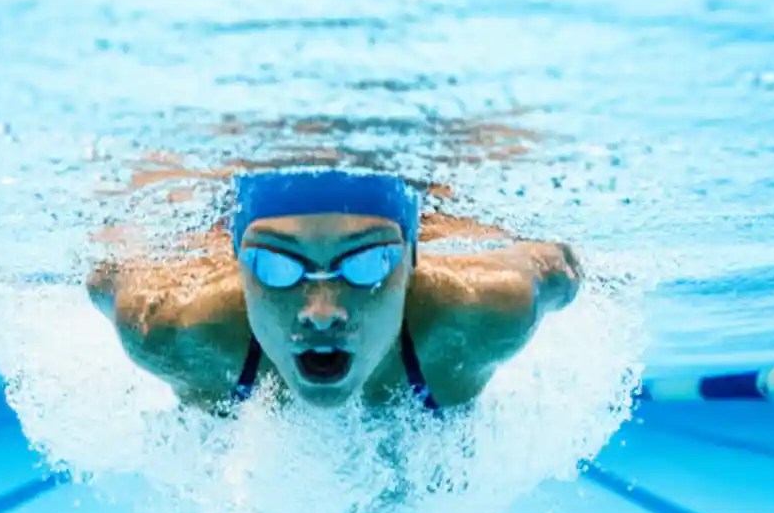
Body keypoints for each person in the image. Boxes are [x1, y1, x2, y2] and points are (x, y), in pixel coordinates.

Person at [86, 167, 582, 414]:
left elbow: (559, 268)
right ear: (236, 262)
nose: (322, 312)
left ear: (413, 260)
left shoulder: (484, 310)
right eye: (275, 265)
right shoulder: (170, 328)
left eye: (367, 263)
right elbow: (106, 273)